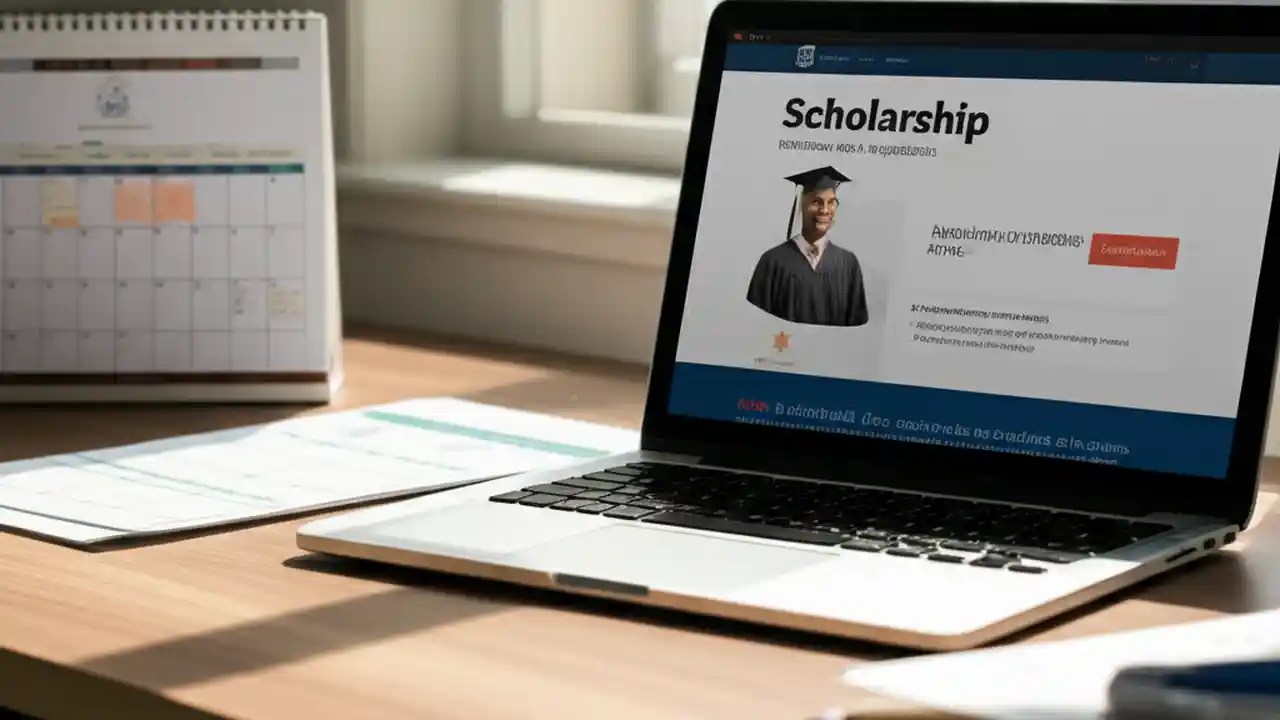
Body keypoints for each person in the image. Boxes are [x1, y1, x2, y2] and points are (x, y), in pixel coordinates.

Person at [746, 166, 870, 327]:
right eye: (816, 202)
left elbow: (856, 326)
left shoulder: (848, 262)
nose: (825, 210)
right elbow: (757, 323)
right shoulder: (772, 261)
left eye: (832, 202)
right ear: (801, 206)